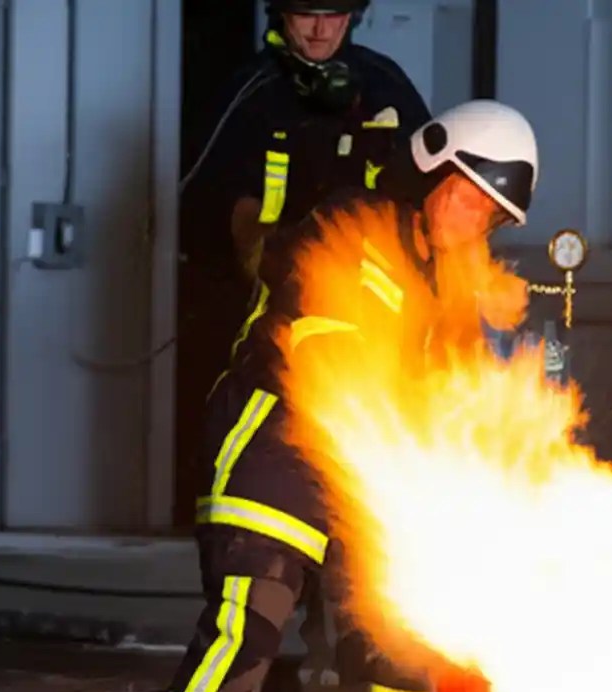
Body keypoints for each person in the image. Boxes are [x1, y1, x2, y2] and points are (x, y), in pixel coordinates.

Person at [161, 99, 538, 692]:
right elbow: (329, 352)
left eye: (490, 215)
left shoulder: (452, 283)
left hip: (367, 473)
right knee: (248, 627)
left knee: (404, 638)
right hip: (276, 454)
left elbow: (465, 390)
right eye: (471, 199)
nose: (477, 222)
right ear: (433, 171)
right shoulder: (352, 226)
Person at [176, 0, 431, 527]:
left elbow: (429, 198)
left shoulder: (386, 88)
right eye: (305, 13)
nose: (319, 29)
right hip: (262, 319)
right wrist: (265, 259)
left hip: (370, 325)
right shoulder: (248, 94)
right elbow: (210, 202)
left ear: (353, 17)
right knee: (266, 460)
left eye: (333, 14)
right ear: (280, 15)